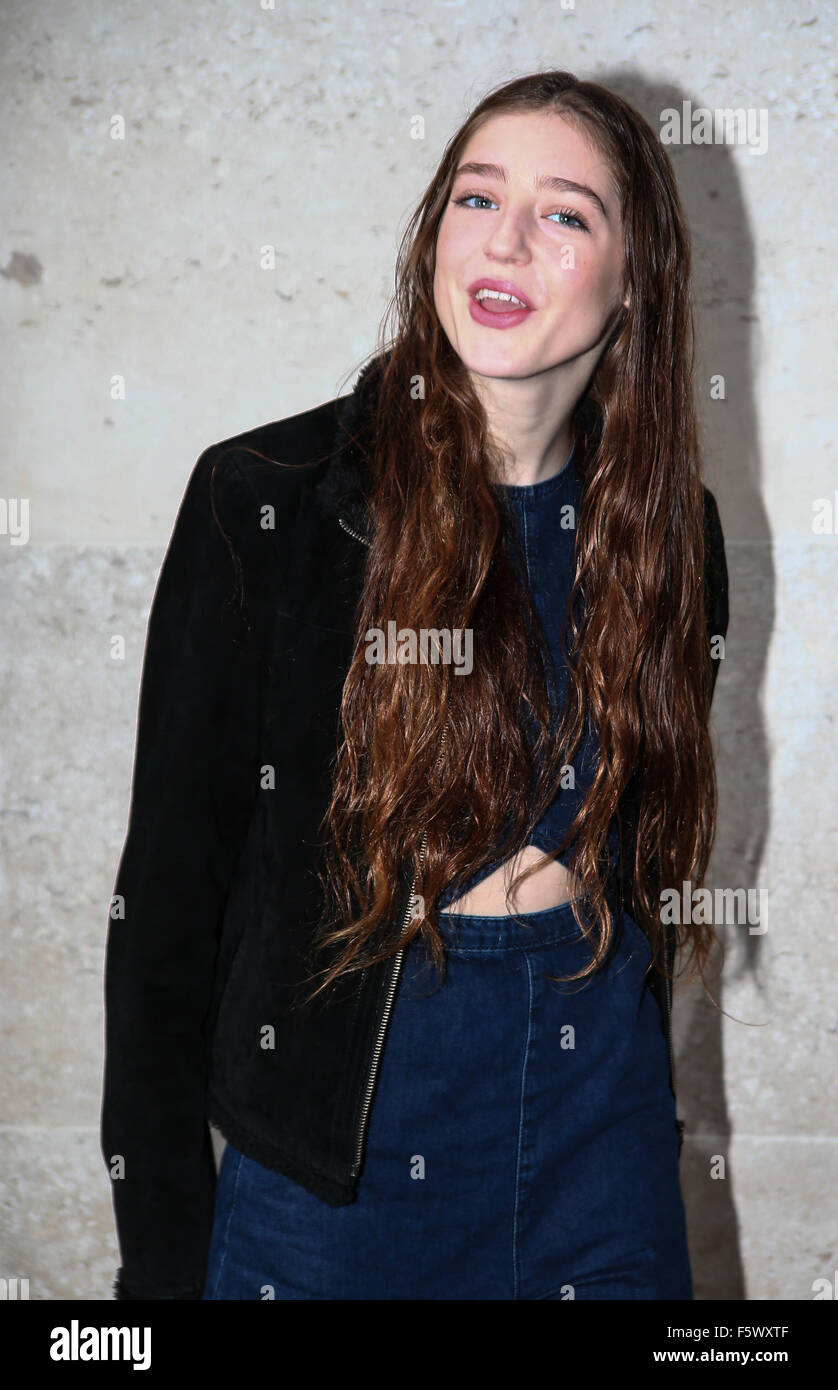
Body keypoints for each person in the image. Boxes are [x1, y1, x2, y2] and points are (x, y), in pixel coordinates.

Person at [101, 69, 729, 1301]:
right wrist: (160, 1266)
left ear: (633, 279)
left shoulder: (672, 530)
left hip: (596, 1129)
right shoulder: (267, 502)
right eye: (474, 196)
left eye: (564, 214)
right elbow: (164, 913)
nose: (502, 238)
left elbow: (641, 869)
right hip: (339, 1153)